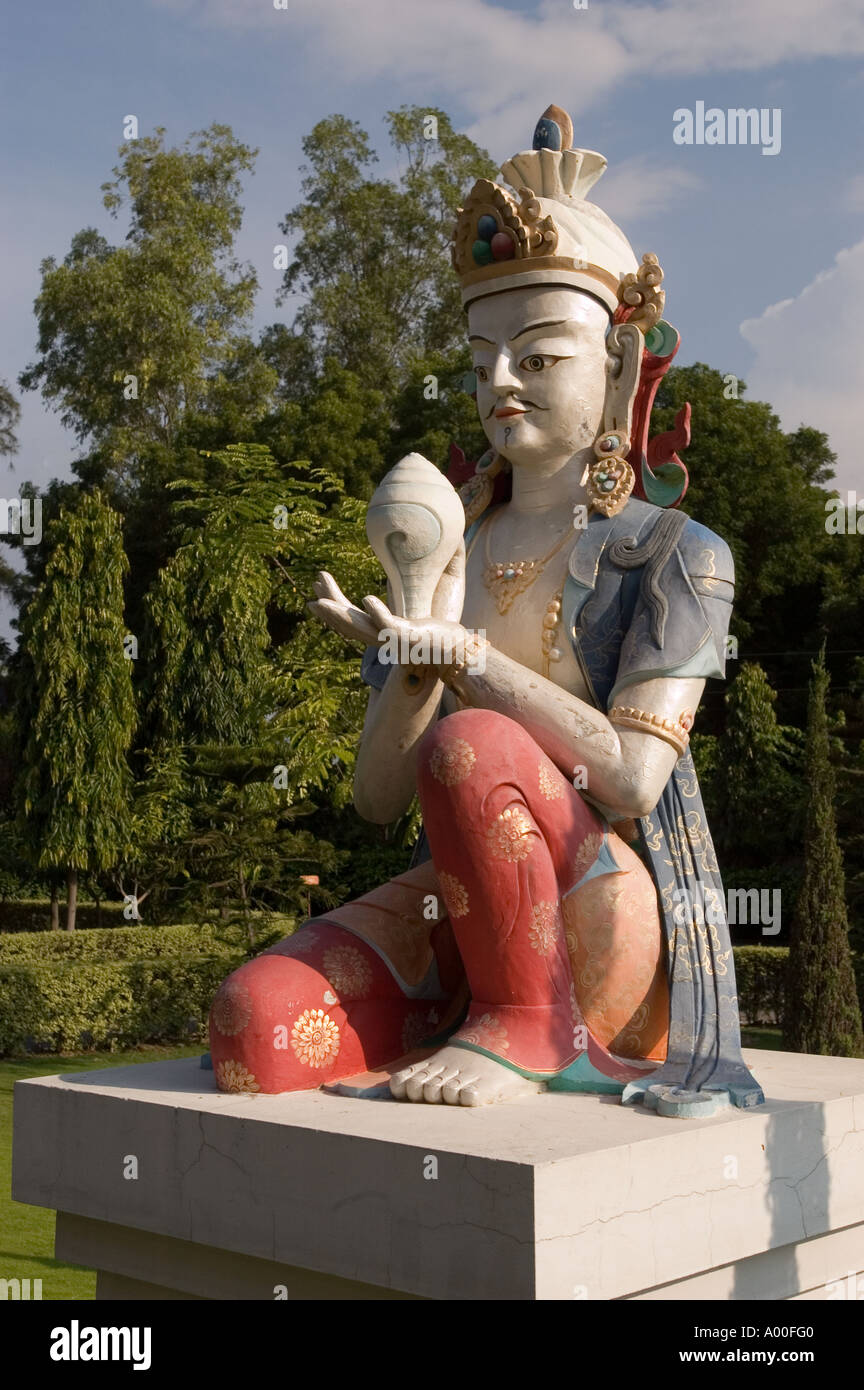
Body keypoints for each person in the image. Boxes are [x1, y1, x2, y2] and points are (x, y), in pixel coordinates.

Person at [209, 105, 763, 1115]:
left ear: (622, 369)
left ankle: (531, 1026)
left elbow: (635, 782)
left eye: (539, 357)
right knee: (258, 1028)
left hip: (601, 909)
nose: (500, 386)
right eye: (480, 363)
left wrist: (469, 658)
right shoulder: (449, 547)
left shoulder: (678, 556)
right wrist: (417, 662)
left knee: (474, 743)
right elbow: (380, 798)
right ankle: (485, 1006)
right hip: (455, 906)